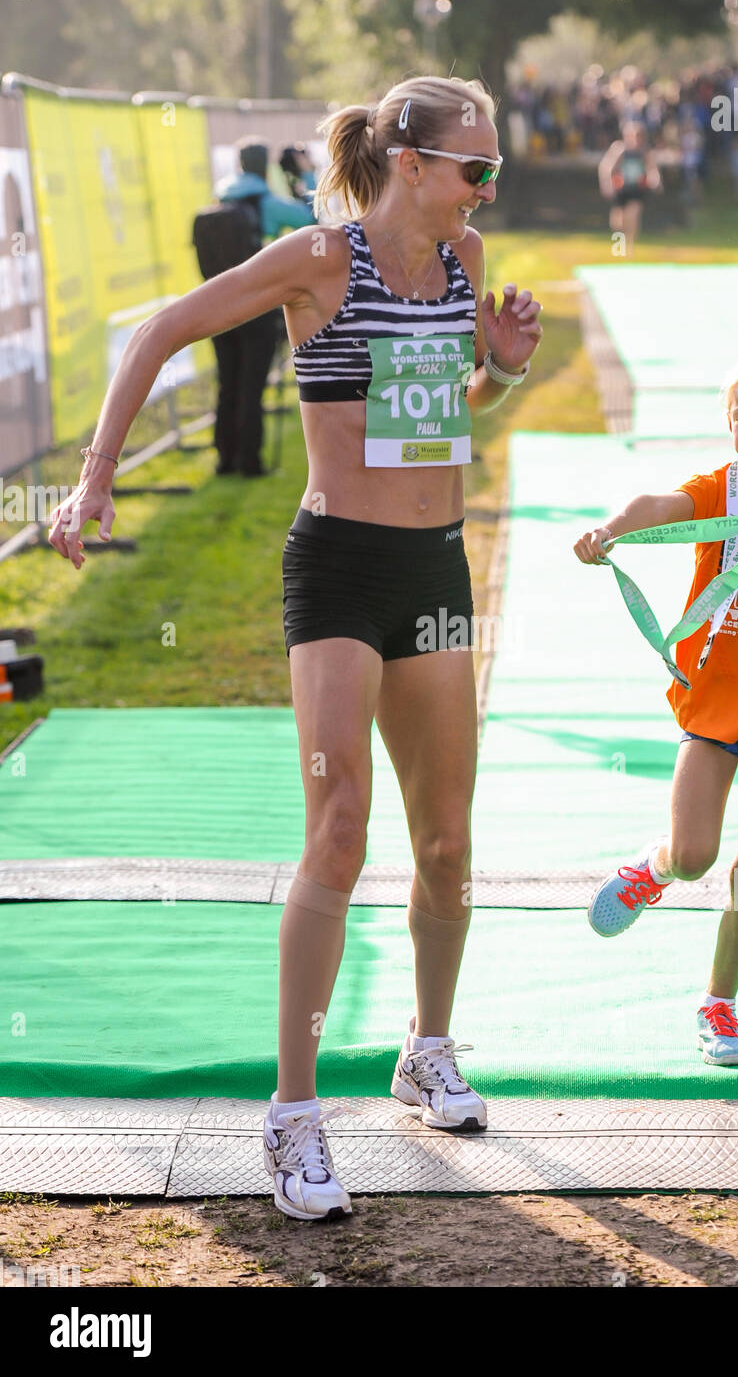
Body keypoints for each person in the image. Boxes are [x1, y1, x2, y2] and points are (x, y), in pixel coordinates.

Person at [47, 74, 542, 1222]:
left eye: (493, 171)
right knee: (338, 823)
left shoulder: (463, 267)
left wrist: (503, 365)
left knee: (448, 837)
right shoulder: (321, 260)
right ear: (409, 164)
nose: (486, 186)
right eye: (477, 167)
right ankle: (294, 1112)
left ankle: (425, 1049)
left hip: (433, 567)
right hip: (336, 569)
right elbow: (163, 327)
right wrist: (93, 479)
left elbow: (445, 412)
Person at [573, 345, 738, 1070]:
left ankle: (718, 1004)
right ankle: (652, 868)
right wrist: (609, 530)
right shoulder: (716, 489)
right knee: (695, 856)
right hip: (714, 702)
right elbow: (654, 507)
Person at [210, 136, 317, 477]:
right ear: (263, 166)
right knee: (252, 386)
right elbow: (311, 218)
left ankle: (224, 460)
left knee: (227, 384)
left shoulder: (221, 198)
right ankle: (250, 464)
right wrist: (306, 176)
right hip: (255, 308)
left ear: (240, 164)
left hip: (217, 308)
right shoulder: (265, 201)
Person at [598, 123, 660, 258]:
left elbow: (652, 169)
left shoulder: (644, 151)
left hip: (636, 190)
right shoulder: (619, 149)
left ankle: (630, 247)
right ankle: (620, 246)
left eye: (638, 136)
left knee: (633, 215)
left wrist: (655, 180)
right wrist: (607, 184)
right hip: (620, 189)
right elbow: (606, 167)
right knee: (618, 222)